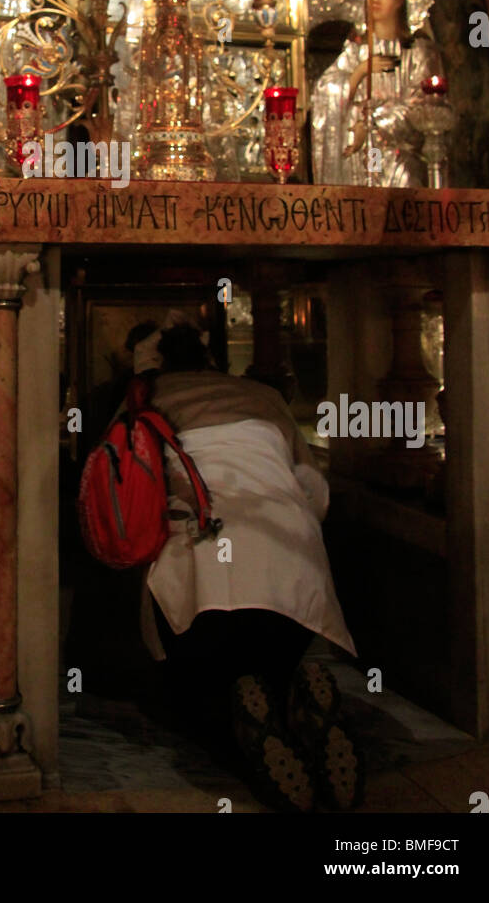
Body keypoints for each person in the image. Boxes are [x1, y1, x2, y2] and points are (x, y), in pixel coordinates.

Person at [133, 319, 361, 812]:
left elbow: (127, 485)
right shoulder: (262, 395)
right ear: (212, 358)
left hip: (203, 554)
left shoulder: (147, 396)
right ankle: (294, 704)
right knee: (272, 658)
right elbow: (312, 486)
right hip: (289, 548)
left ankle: (246, 731)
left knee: (198, 686)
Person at [311, 0, 442, 187]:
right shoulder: (355, 52)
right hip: (364, 160)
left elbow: (419, 106)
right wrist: (361, 71)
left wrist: (371, 121)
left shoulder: (418, 52)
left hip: (402, 161)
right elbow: (326, 94)